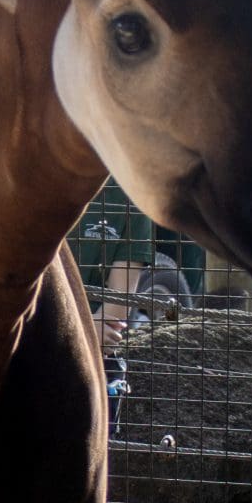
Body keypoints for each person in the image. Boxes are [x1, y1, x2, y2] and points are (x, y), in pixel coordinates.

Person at [68, 178, 197, 429]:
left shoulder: (130, 193)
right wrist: (80, 331)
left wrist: (87, 333)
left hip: (92, 356)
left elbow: (120, 301)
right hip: (39, 340)